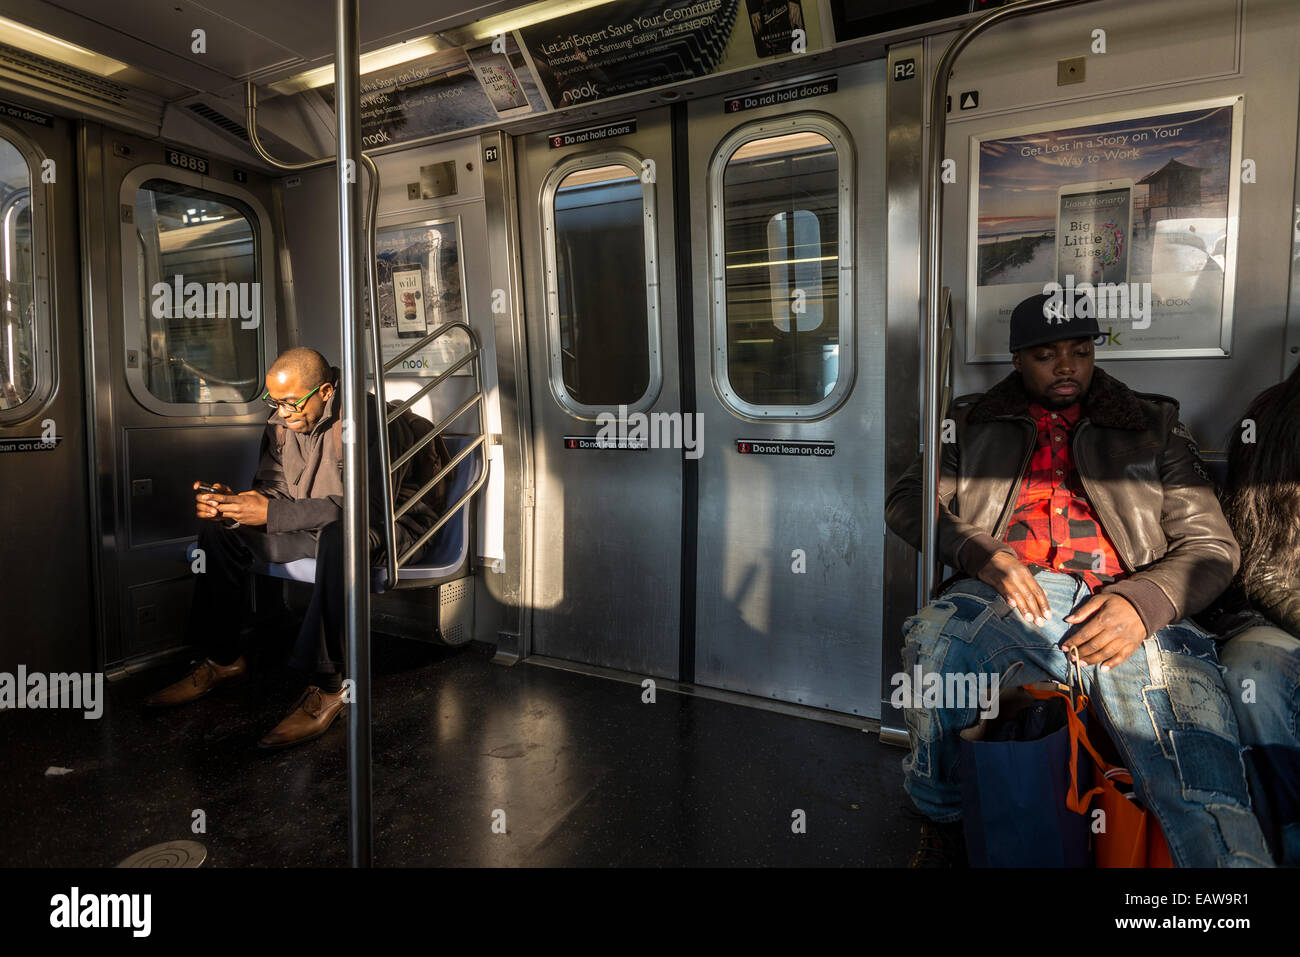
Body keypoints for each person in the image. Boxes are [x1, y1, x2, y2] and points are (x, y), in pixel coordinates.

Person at [885, 291, 1272, 867]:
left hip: (1127, 595)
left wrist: (1144, 603)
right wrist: (982, 552)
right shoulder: (967, 423)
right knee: (938, 643)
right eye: (1046, 355)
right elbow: (908, 503)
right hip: (1011, 595)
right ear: (1017, 360)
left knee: (1195, 771)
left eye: (1081, 351)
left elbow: (1211, 546)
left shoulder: (1152, 422)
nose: (1067, 366)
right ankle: (941, 825)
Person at [144, 347, 450, 749]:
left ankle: (328, 687)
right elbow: (275, 491)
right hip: (318, 525)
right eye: (275, 402)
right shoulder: (280, 426)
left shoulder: (369, 424)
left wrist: (269, 513)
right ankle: (222, 659)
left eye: (291, 402)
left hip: (388, 526)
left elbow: (365, 512)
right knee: (221, 533)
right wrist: (235, 506)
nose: (283, 413)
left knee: (342, 538)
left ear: (325, 391)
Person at [1202, 367, 1300, 865]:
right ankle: (1283, 843)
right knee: (1251, 677)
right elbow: (1262, 569)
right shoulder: (1276, 422)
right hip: (1274, 612)